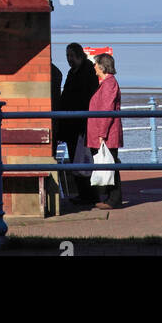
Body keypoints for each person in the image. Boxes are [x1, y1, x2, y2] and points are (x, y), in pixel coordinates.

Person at [60, 43, 99, 207]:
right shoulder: (72, 72)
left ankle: (89, 194)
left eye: (71, 56)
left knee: (84, 159)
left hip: (82, 124)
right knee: (76, 160)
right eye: (67, 56)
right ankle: (82, 193)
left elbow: (87, 97)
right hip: (71, 124)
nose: (69, 59)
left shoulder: (87, 72)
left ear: (79, 55)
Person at [87, 52, 123, 209]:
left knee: (111, 164)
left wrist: (102, 133)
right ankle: (109, 197)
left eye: (95, 64)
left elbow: (107, 109)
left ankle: (114, 199)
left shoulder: (109, 84)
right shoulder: (106, 83)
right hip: (103, 132)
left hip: (107, 134)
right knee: (107, 164)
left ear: (102, 66)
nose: (94, 67)